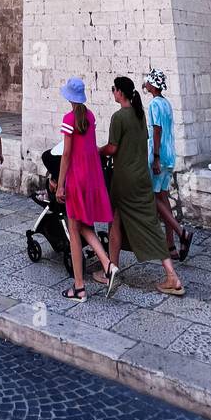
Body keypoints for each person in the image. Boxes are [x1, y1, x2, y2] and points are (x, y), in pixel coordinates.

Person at [99, 75, 184, 298]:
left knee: (115, 221)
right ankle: (169, 274)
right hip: (142, 178)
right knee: (145, 223)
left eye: (113, 89)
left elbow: (113, 148)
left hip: (124, 178)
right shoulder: (139, 114)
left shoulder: (119, 117)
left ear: (119, 92)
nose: (113, 92)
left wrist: (96, 151)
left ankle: (111, 269)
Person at [54, 77, 118, 302]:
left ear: (68, 97)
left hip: (75, 179)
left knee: (74, 232)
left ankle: (80, 287)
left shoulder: (69, 119)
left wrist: (60, 184)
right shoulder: (89, 116)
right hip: (91, 178)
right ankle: (108, 264)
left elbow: (67, 154)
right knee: (82, 226)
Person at [142, 70, 193, 262]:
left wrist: (155, 157)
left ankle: (181, 234)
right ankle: (170, 246)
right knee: (163, 199)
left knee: (153, 196)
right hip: (170, 155)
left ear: (153, 85)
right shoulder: (166, 103)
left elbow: (157, 130)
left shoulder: (155, 104)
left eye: (147, 81)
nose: (145, 84)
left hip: (160, 155)